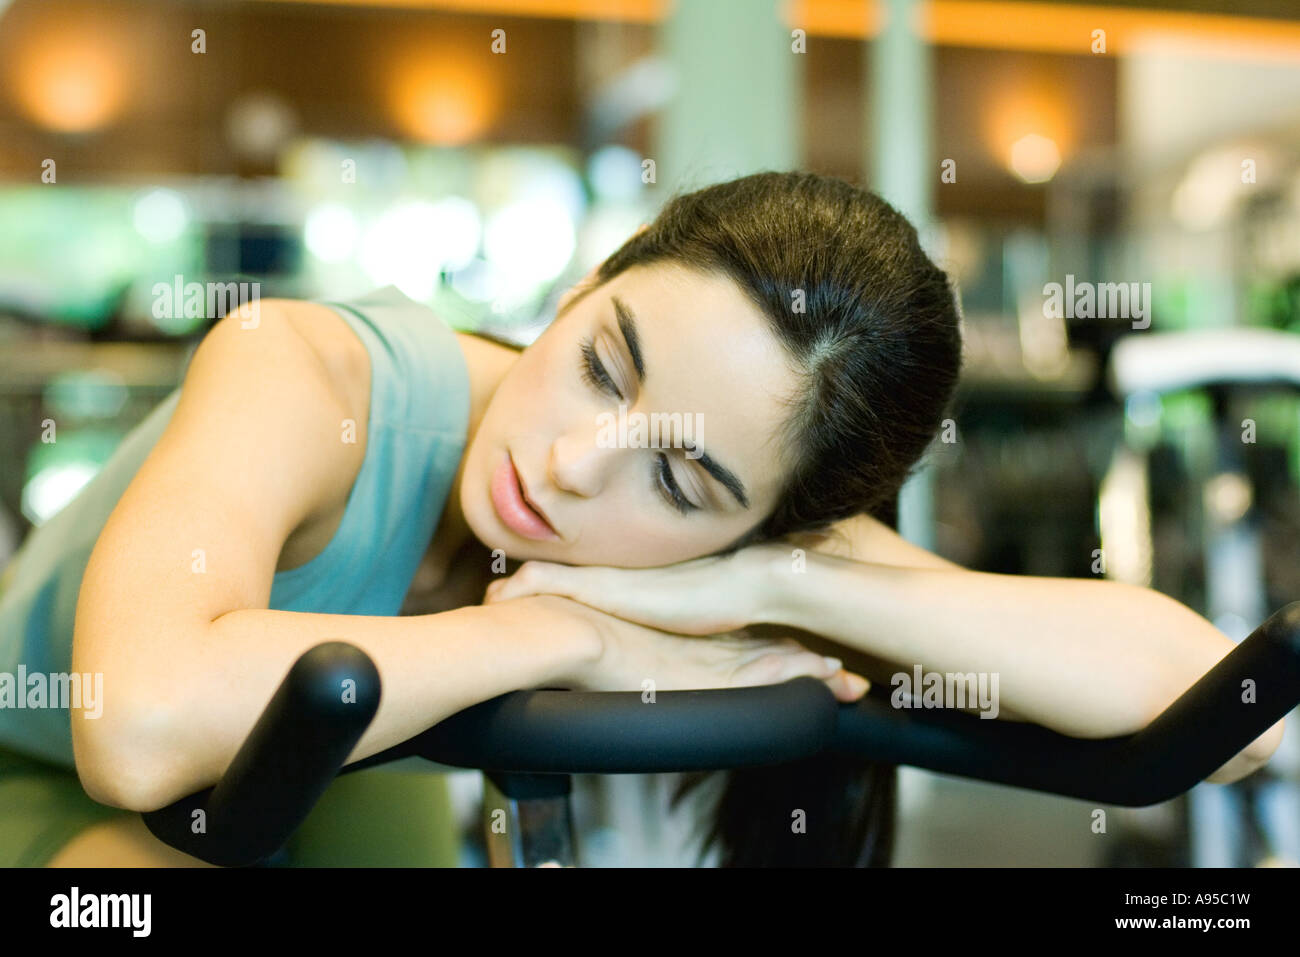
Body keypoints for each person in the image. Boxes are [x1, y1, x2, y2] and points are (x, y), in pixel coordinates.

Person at [0, 170, 1282, 868]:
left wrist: (795, 584)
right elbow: (138, 730)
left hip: (341, 791)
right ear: (580, 288)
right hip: (38, 788)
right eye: (605, 364)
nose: (566, 466)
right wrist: (568, 638)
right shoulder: (302, 371)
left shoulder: (755, 543)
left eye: (678, 484)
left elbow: (1221, 729)